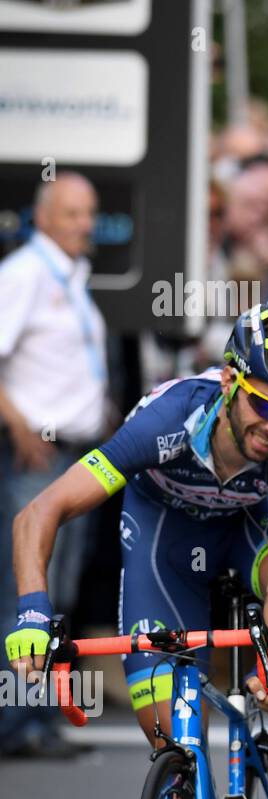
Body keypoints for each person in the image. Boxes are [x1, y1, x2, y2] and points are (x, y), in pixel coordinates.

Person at [5, 302, 268, 799]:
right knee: (177, 755)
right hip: (167, 545)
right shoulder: (168, 418)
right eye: (263, 404)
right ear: (231, 379)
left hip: (251, 533)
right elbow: (38, 513)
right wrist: (34, 614)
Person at [0, 173, 110, 759]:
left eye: (88, 213)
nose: (83, 224)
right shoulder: (24, 275)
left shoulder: (67, 275)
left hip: (73, 456)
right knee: (27, 589)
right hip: (39, 457)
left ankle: (39, 716)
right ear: (42, 216)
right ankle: (17, 723)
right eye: (70, 213)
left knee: (55, 590)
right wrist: (17, 422)